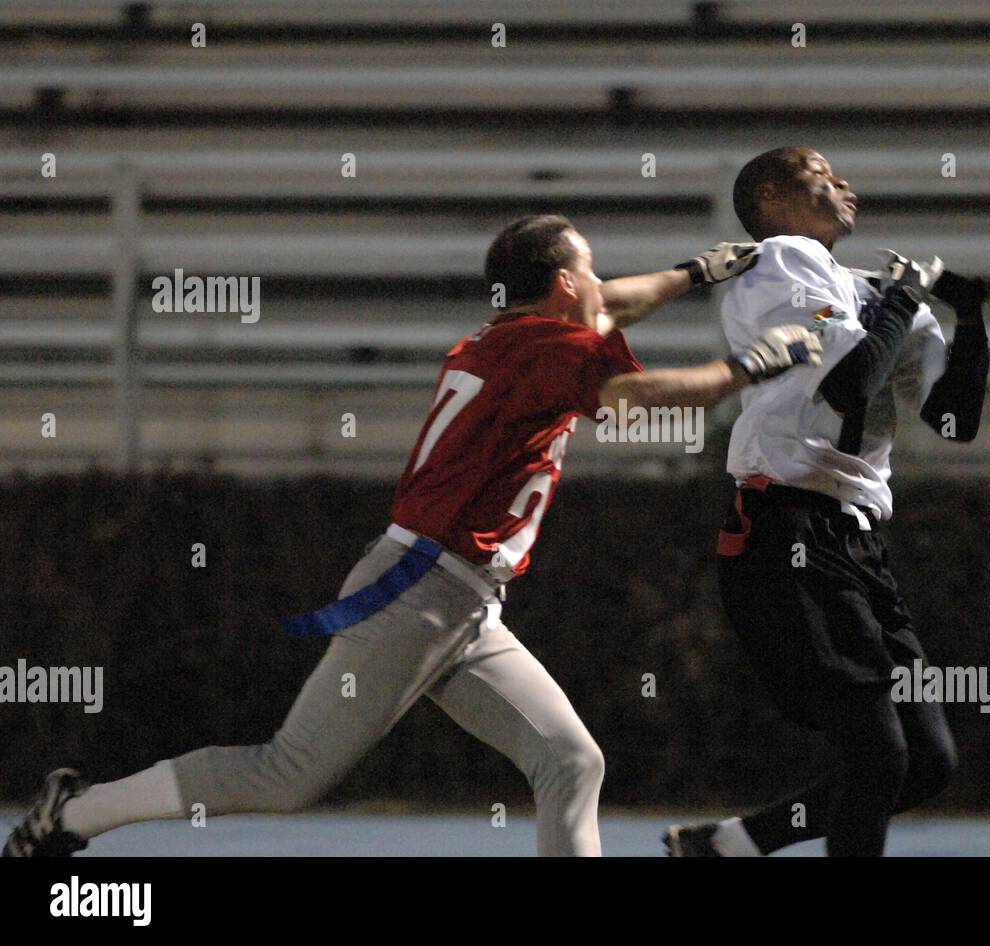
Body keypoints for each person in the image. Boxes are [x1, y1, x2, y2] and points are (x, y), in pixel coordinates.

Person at [4, 214, 822, 858]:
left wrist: (692, 274)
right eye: (591, 270)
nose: (603, 285)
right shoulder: (544, 348)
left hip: (460, 596)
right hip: (423, 589)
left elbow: (614, 302)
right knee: (287, 773)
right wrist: (750, 365)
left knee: (570, 761)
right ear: (567, 282)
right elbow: (638, 399)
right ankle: (73, 814)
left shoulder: (515, 337)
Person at [664, 147, 989, 857]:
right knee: (878, 757)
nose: (844, 182)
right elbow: (848, 385)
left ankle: (735, 844)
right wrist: (903, 298)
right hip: (786, 527)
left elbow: (956, 421)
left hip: (853, 538)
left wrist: (971, 317)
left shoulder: (871, 288)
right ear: (773, 197)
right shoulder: (782, 258)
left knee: (926, 761)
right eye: (822, 173)